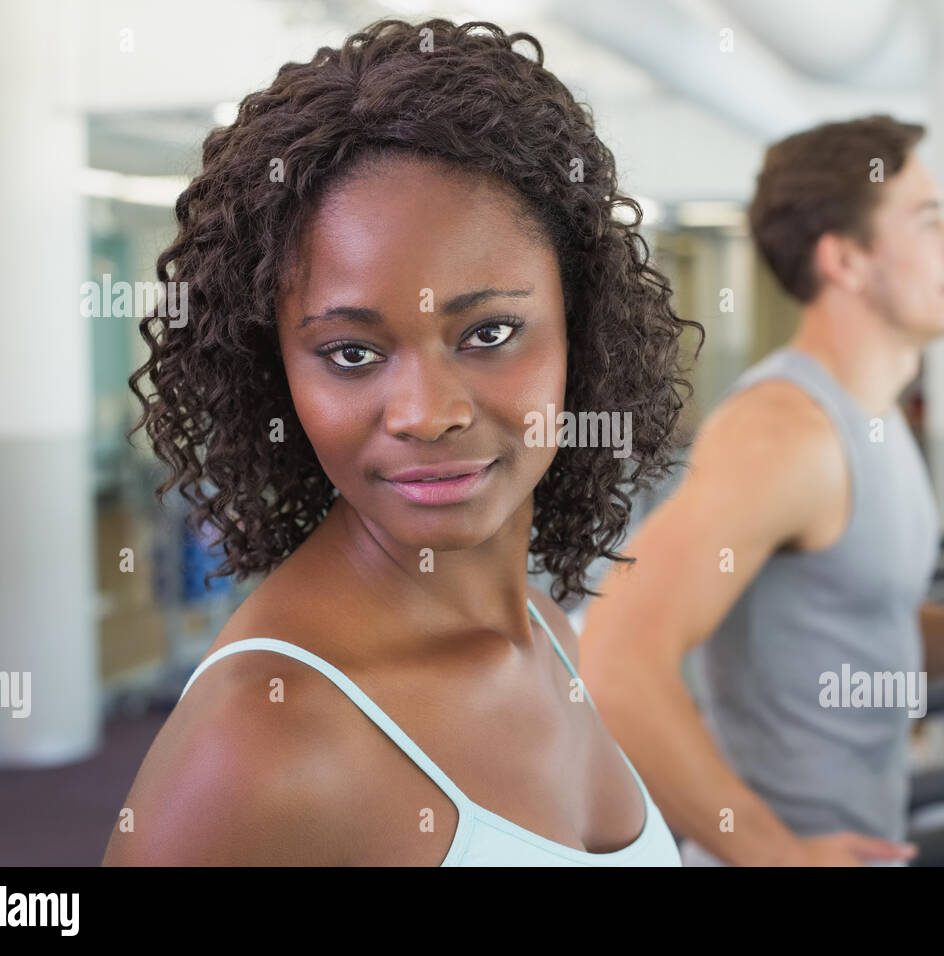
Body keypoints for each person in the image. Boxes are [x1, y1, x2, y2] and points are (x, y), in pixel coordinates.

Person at [103, 18, 699, 867]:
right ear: (278, 376)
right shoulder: (264, 739)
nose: (425, 413)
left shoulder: (547, 633)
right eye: (352, 353)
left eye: (489, 332)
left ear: (583, 330)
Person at [579, 115, 944, 866]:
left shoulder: (871, 418)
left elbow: (865, 638)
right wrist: (778, 856)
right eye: (927, 221)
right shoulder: (785, 433)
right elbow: (612, 664)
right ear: (847, 262)